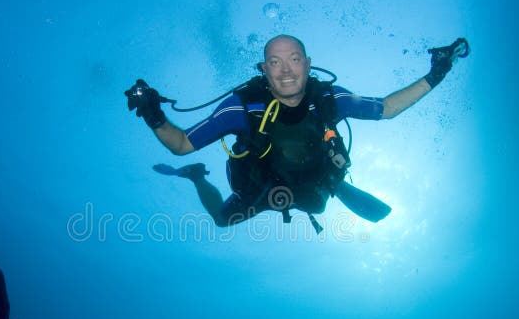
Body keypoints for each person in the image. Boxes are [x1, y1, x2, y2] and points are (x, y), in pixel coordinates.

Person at [125, 34, 468, 231]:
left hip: (313, 184)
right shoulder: (242, 106)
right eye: (275, 62)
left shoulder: (329, 99)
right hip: (259, 190)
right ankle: (197, 177)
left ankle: (333, 184)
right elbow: (182, 144)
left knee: (318, 205)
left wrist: (436, 74)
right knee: (220, 220)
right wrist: (153, 115)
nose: (285, 70)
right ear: (264, 69)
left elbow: (387, 108)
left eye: (294, 59)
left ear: (307, 63)